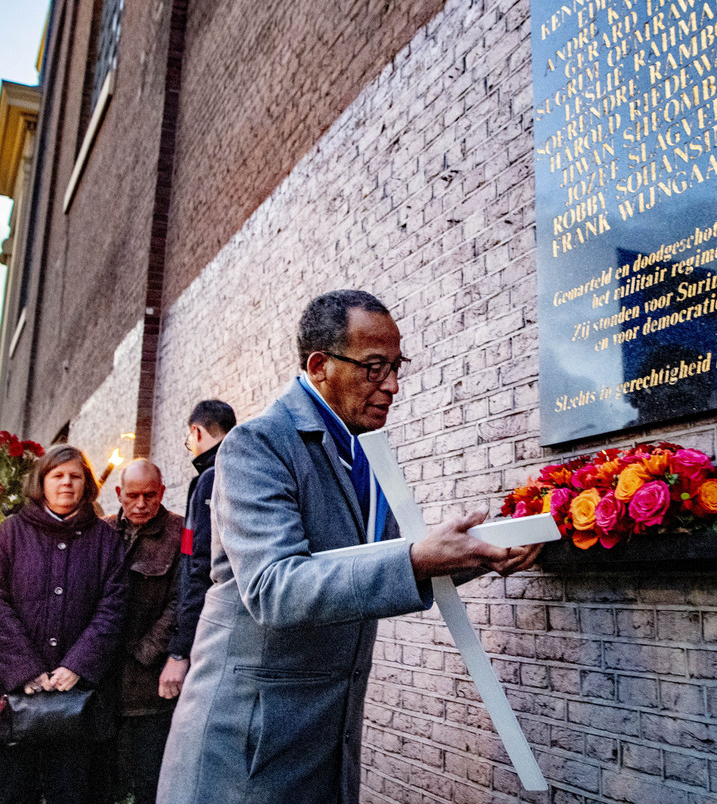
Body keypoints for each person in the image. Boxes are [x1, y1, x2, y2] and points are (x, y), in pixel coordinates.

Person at [157, 290, 541, 804]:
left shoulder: (364, 454)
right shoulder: (258, 444)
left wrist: (490, 549)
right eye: (375, 367)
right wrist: (417, 558)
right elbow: (275, 588)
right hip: (243, 752)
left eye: (397, 367)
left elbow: (387, 566)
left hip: (324, 748)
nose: (393, 385)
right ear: (319, 366)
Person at [0, 444, 127, 804]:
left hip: (77, 700)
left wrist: (78, 664)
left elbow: (113, 607)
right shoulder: (10, 533)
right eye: (57, 475)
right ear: (41, 482)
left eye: (75, 476)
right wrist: (24, 669)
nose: (66, 483)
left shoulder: (105, 540)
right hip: (15, 696)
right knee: (10, 793)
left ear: (87, 483)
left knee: (71, 793)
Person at [104, 460, 182, 804]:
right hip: (103, 683)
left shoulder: (181, 532)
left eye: (149, 495)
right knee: (106, 782)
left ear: (161, 492)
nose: (140, 504)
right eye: (132, 495)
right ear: (119, 493)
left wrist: (145, 652)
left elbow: (183, 600)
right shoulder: (103, 531)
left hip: (152, 685)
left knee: (150, 780)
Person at [159, 399, 234, 699]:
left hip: (210, 627)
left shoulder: (210, 478)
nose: (189, 446)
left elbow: (199, 566)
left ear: (197, 431)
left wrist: (180, 650)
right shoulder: (241, 467)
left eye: (188, 439)